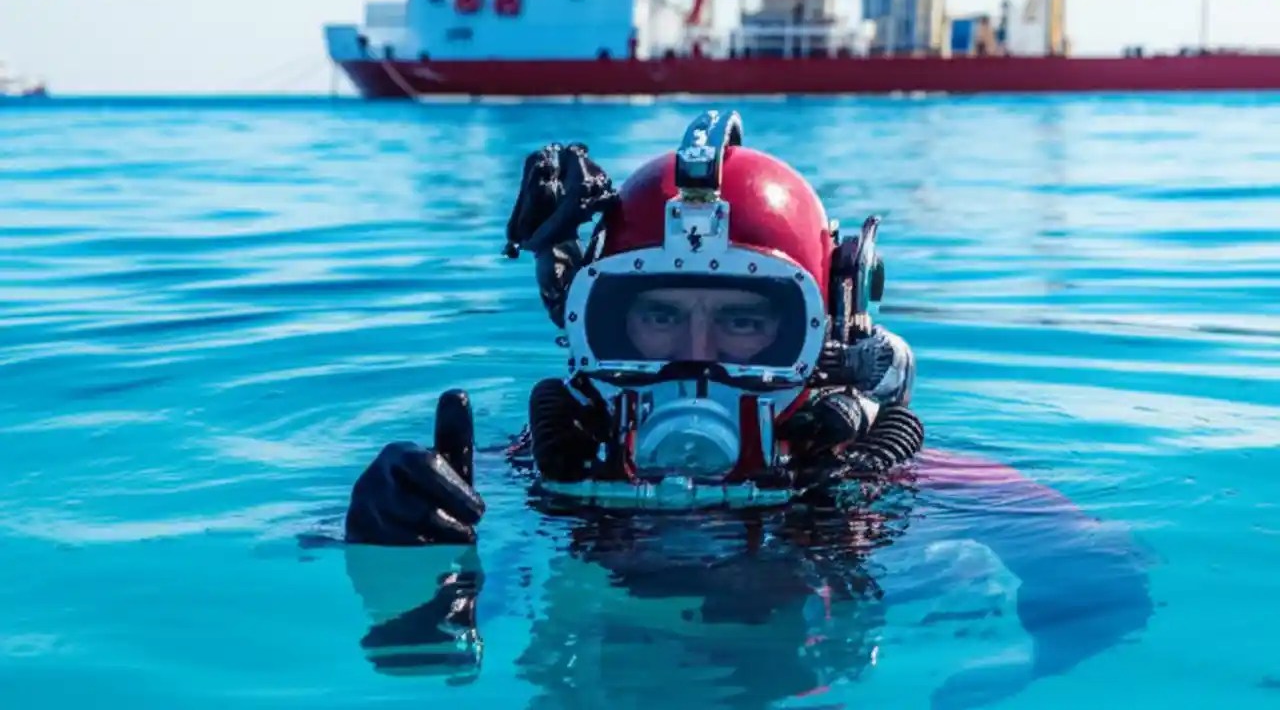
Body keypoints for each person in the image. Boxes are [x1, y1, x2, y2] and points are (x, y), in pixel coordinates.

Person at [338, 110, 1151, 709]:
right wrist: (391, 537)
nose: (699, 357)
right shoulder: (532, 472)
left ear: (823, 333)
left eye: (745, 321)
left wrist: (1024, 670)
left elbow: (1103, 576)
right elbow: (341, 572)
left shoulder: (892, 479)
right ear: (594, 322)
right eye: (658, 316)